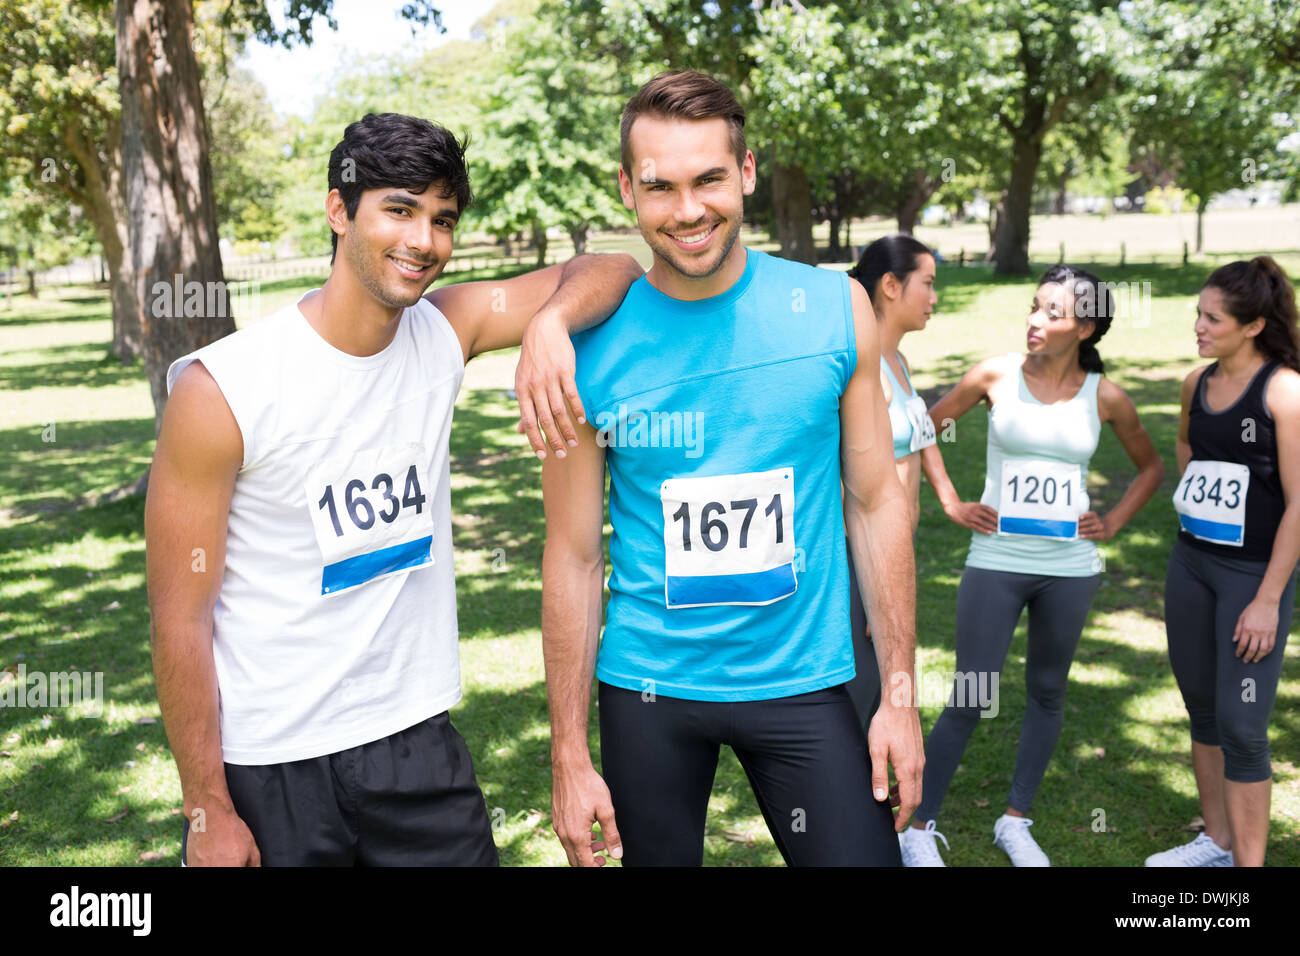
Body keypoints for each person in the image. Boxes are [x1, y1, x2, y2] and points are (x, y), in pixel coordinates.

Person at [145, 112, 642, 866]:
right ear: (340, 211)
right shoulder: (224, 391)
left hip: (418, 744)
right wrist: (208, 806)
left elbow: (617, 264)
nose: (423, 242)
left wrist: (549, 327)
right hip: (274, 763)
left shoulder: (448, 328)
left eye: (442, 220)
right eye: (400, 210)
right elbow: (181, 618)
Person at [540, 70, 922, 868]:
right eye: (660, 186)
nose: (687, 211)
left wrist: (898, 696)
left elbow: (876, 500)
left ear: (745, 174)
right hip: (649, 689)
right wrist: (569, 757)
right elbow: (574, 555)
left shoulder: (832, 308)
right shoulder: (587, 350)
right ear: (627, 189)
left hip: (805, 680)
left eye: (710, 178)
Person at [896, 264, 1164, 866]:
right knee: (972, 692)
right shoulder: (995, 374)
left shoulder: (1108, 397)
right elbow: (922, 426)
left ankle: (1015, 820)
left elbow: (1151, 467)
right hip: (995, 559)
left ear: (1086, 329)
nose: (1035, 321)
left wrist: (1114, 521)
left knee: (1047, 690)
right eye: (1034, 306)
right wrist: (949, 499)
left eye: (1053, 313)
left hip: (1071, 567)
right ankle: (915, 827)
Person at [1147, 257, 1300, 868]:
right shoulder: (1196, 382)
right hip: (1191, 566)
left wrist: (1267, 599)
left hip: (1251, 578)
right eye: (1198, 314)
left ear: (1253, 325)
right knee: (1202, 708)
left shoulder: (1285, 390)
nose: (1199, 327)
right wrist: (1194, 491)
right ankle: (1216, 840)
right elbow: (1189, 444)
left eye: (1213, 318)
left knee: (1241, 725)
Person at [842, 235, 993, 730]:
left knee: (882, 691)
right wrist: (873, 584)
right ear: (890, 285)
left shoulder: (898, 364)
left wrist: (949, 499)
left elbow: (923, 431)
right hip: (860, 559)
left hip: (894, 554)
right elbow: (845, 483)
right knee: (862, 698)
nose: (934, 297)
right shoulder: (864, 371)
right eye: (926, 284)